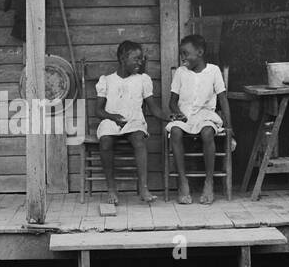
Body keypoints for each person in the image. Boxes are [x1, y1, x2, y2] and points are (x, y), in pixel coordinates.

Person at [166, 34, 233, 204]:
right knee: (175, 131)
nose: (182, 58)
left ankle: (208, 183)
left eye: (186, 54)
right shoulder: (181, 73)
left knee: (207, 132)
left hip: (205, 114)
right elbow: (172, 102)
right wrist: (178, 113)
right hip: (185, 114)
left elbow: (223, 98)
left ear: (200, 52)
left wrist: (230, 126)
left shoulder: (214, 71)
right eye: (181, 54)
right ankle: (183, 182)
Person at [95, 40, 159, 204]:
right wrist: (114, 117)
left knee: (138, 139)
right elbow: (98, 111)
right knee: (105, 140)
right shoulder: (107, 80)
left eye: (141, 59)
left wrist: (171, 117)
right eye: (136, 59)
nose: (140, 62)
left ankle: (143, 188)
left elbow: (153, 108)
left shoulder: (142, 79)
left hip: (133, 119)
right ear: (123, 58)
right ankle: (111, 188)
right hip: (111, 119)